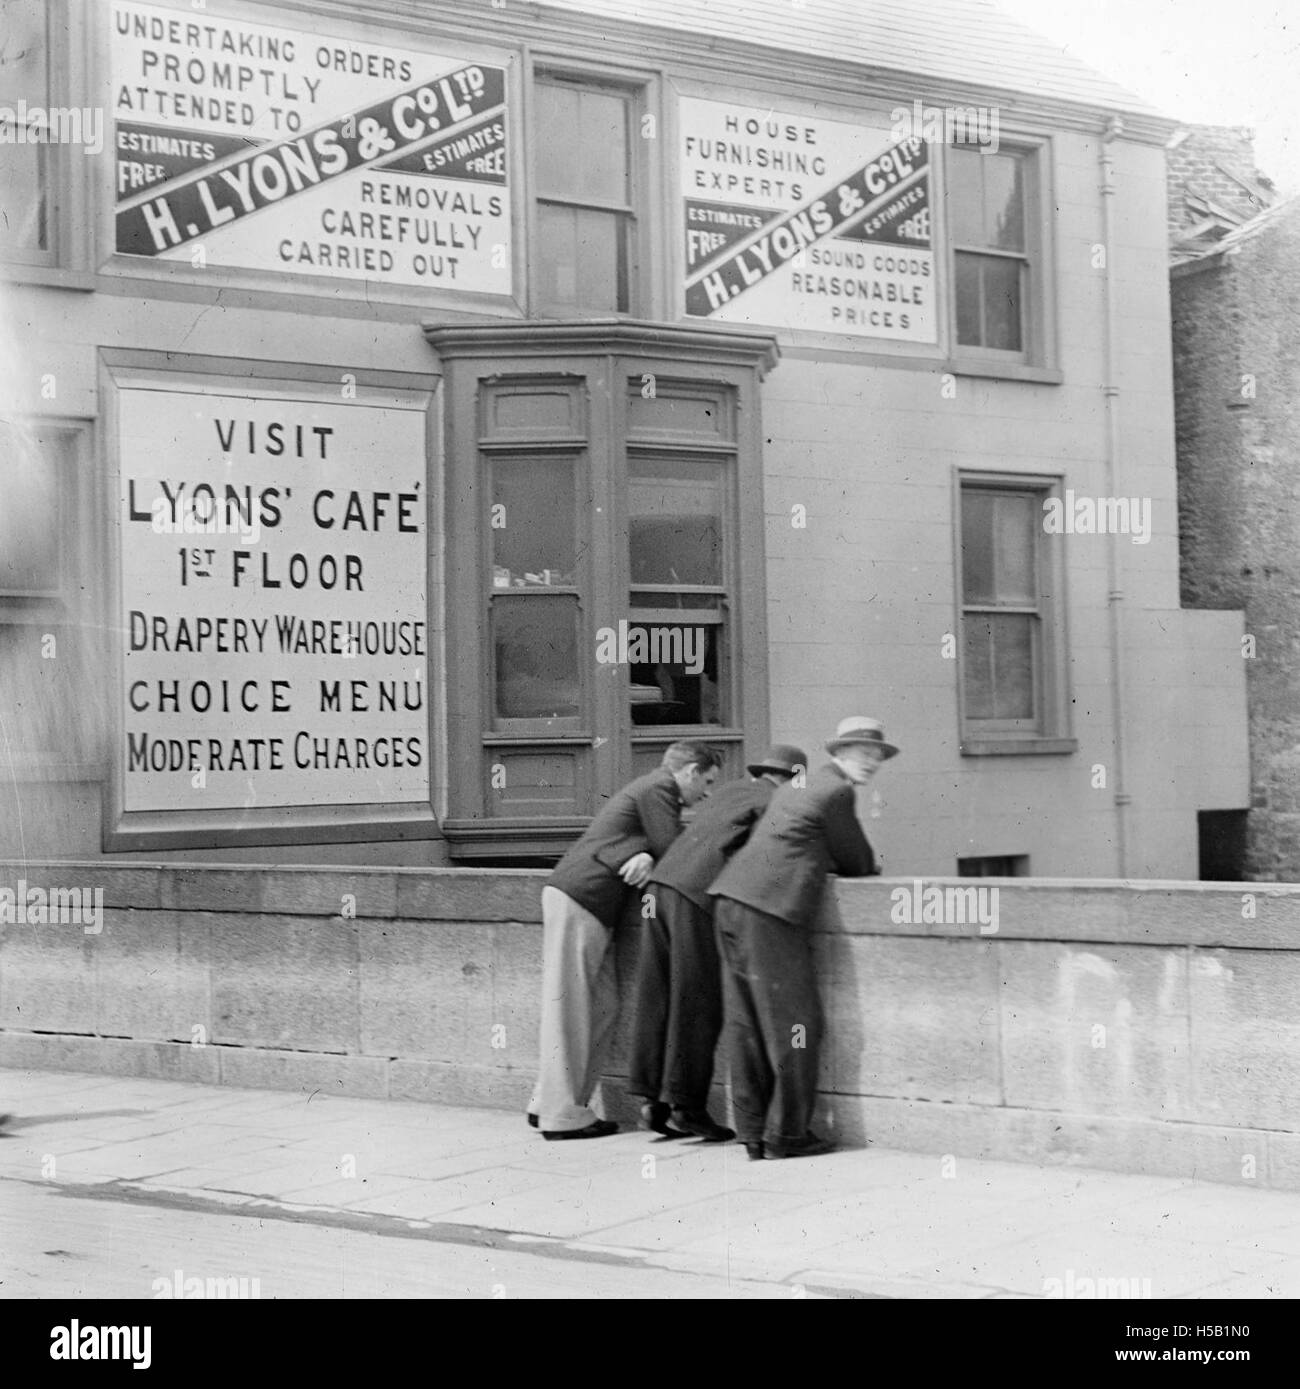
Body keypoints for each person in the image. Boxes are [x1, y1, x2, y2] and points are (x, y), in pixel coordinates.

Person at [710, 716, 898, 1160]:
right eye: (862, 753)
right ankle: (788, 1134)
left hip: (730, 899)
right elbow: (856, 859)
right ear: (838, 753)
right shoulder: (836, 790)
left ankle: (753, 1132)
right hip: (771, 913)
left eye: (877, 756)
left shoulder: (796, 786)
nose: (871, 763)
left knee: (746, 1024)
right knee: (796, 1025)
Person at [527, 742, 719, 1139]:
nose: (707, 793)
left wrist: (643, 851)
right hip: (583, 896)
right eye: (707, 781)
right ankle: (560, 1115)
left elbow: (655, 845)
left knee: (601, 1007)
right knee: (572, 1008)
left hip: (589, 901)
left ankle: (549, 1102)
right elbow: (674, 850)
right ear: (690, 772)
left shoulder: (651, 791)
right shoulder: (660, 788)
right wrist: (651, 851)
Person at [627, 745, 808, 1142]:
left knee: (658, 996)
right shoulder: (773, 800)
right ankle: (686, 1107)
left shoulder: (729, 792)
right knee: (696, 1002)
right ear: (791, 779)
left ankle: (651, 1098)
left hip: (660, 889)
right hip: (698, 898)